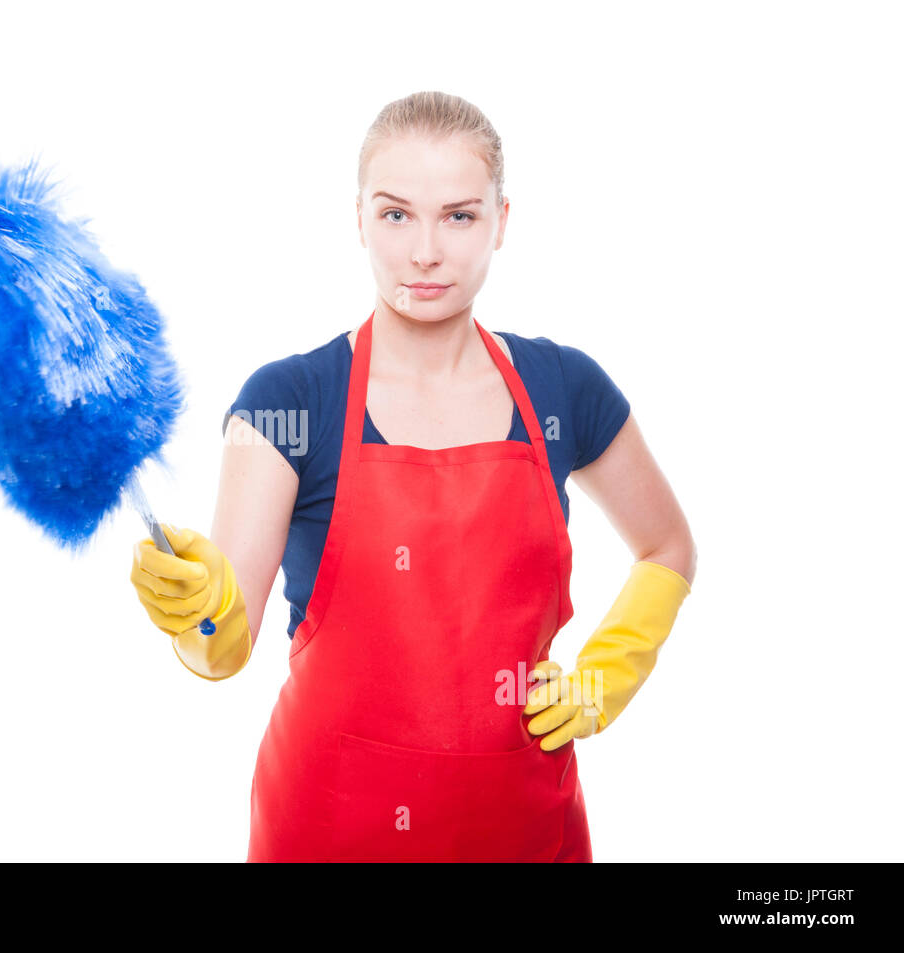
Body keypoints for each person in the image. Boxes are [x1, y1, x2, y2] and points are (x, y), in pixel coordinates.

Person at [128, 91, 697, 863]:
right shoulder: (289, 401)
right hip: (328, 823)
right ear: (356, 218)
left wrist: (608, 673)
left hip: (523, 825)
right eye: (396, 214)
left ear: (502, 221)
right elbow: (223, 649)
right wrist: (201, 610)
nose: (426, 251)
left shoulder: (565, 388)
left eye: (459, 216)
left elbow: (666, 546)